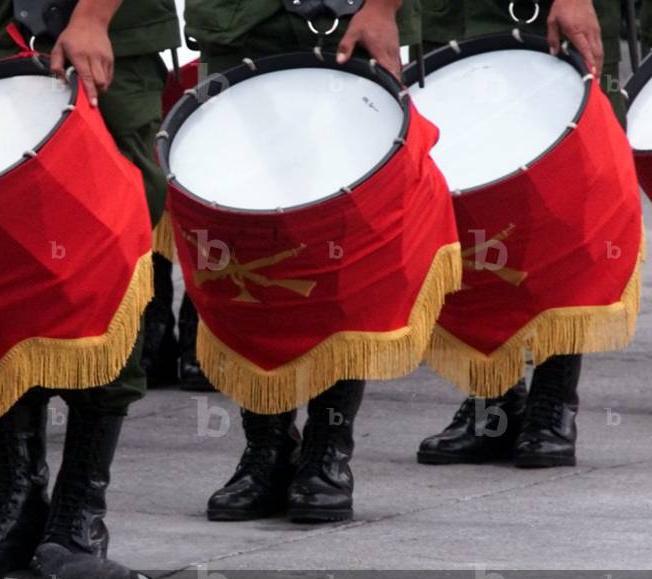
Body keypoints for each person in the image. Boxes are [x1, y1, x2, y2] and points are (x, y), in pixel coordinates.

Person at [0, 0, 180, 579]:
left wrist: (91, 16)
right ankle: (12, 503)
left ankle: (80, 509)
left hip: (102, 33)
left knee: (102, 257)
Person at [185, 0, 421, 523]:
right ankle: (267, 447)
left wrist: (382, 7)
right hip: (239, 25)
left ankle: (328, 448)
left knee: (344, 235)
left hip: (350, 20)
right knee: (243, 232)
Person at [416, 0, 620, 469]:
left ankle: (553, 403)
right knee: (466, 200)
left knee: (564, 213)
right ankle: (494, 399)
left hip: (541, 13)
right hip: (451, 17)